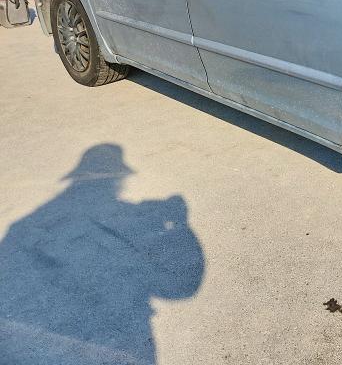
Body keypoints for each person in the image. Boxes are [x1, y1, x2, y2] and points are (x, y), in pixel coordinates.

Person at [0, 144, 204, 365]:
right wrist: (181, 224)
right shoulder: (121, 215)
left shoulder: (21, 227)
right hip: (119, 342)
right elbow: (182, 289)